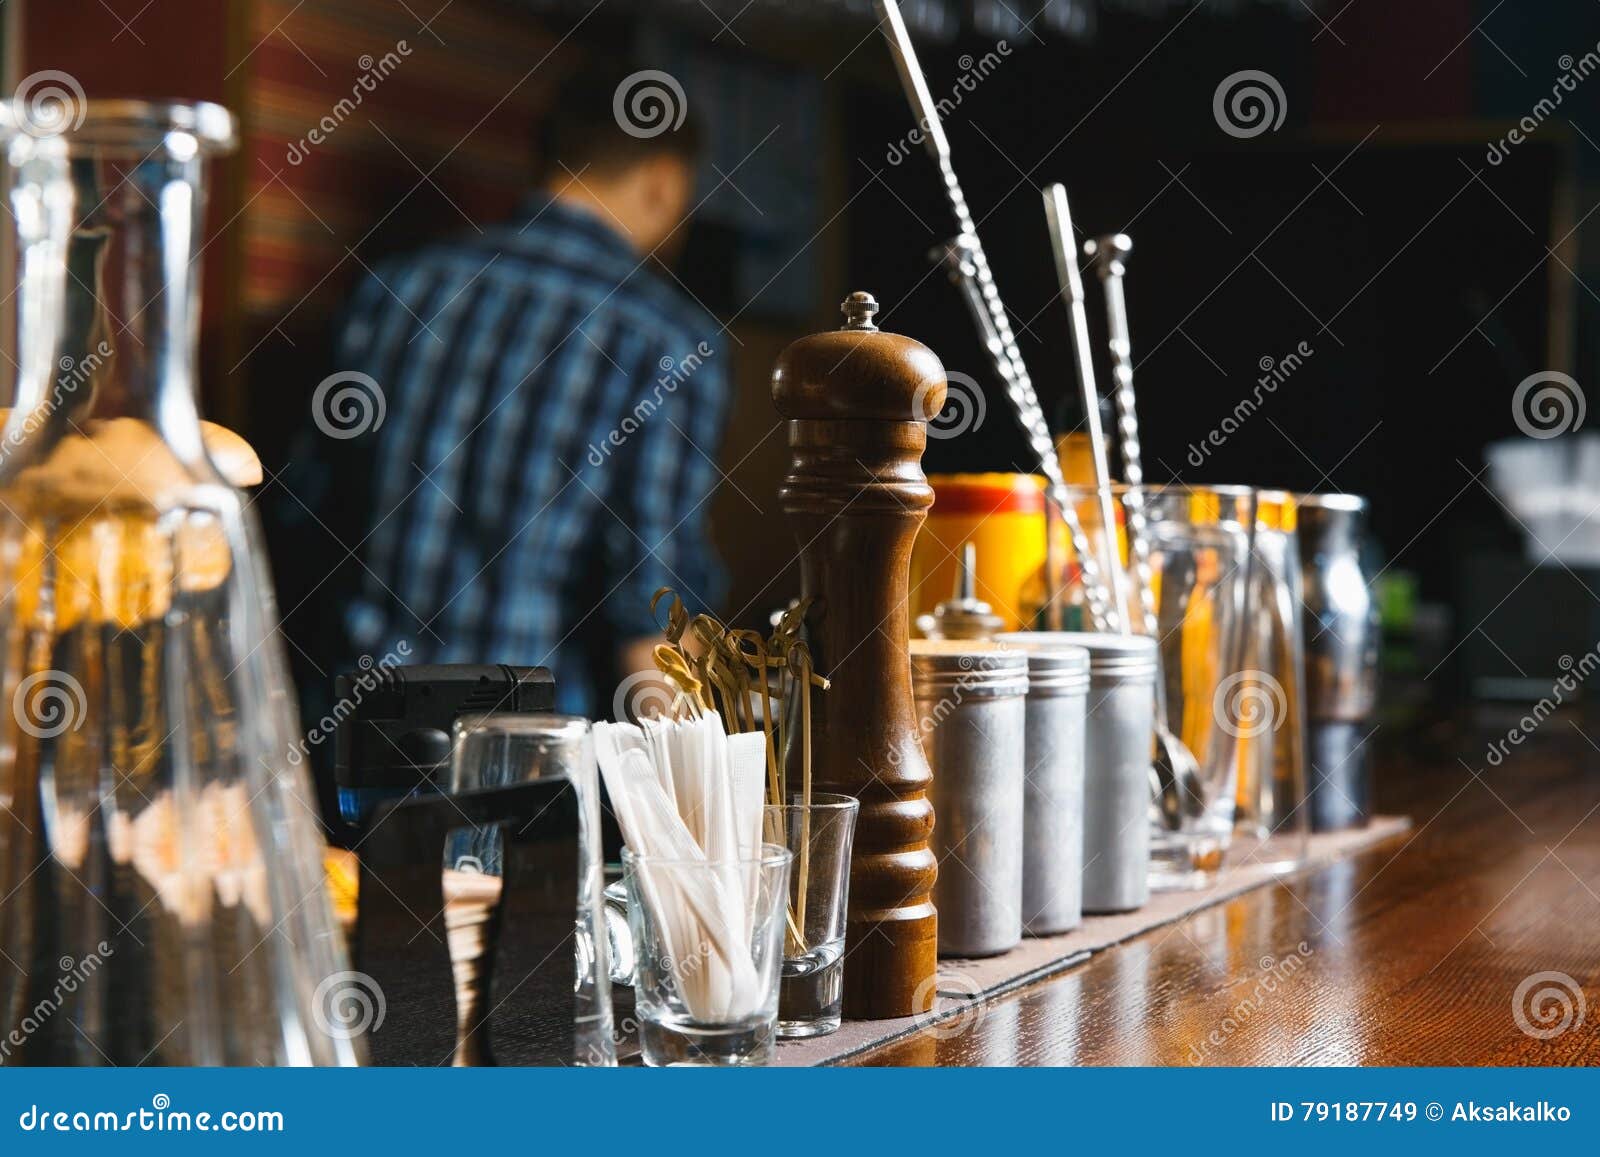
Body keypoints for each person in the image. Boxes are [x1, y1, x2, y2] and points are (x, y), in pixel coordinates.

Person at [326, 62, 727, 717]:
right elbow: (651, 622)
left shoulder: (396, 288)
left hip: (353, 740)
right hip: (523, 775)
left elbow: (310, 521)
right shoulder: (668, 341)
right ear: (663, 184)